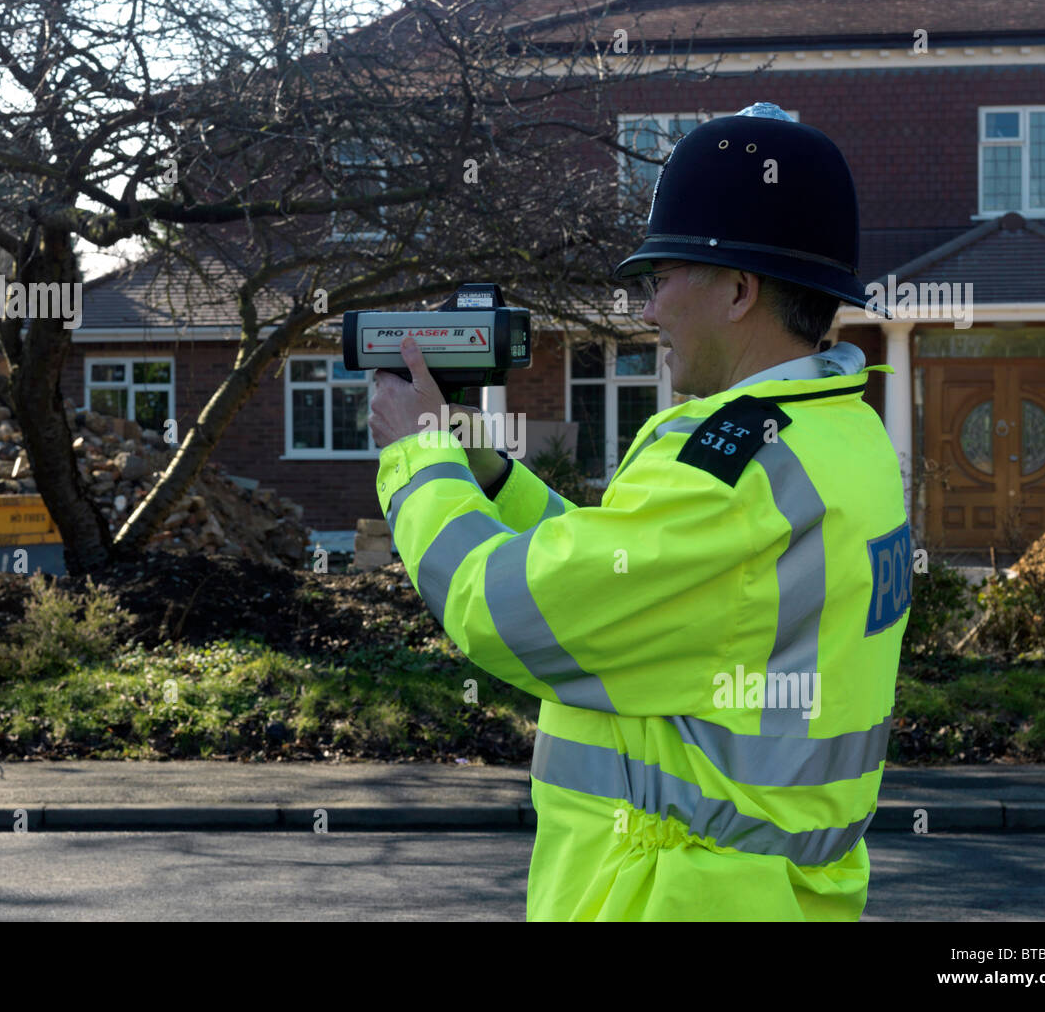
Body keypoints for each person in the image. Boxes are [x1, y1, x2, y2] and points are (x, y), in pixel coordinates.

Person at [367, 103, 911, 921]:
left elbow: (505, 607)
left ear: (737, 289)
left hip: (676, 899)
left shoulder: (733, 471)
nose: (646, 311)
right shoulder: (839, 432)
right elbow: (619, 568)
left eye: (660, 280)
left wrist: (414, 459)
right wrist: (485, 472)